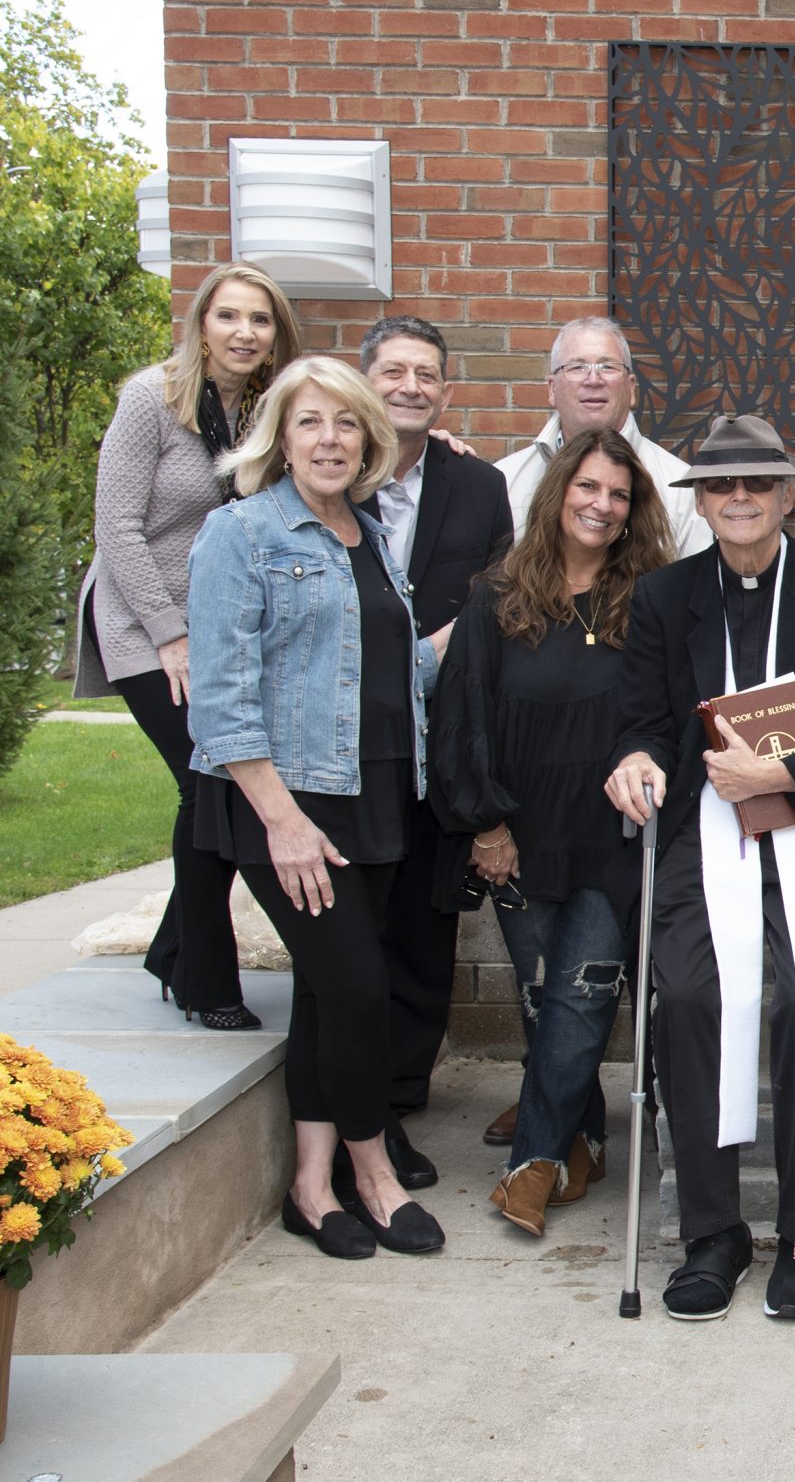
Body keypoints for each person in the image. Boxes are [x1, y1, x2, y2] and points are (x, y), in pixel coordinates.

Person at [605, 414, 795, 1323]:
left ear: (788, 496)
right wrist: (634, 761)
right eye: (719, 486)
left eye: (756, 484)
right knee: (694, 998)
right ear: (701, 502)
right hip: (707, 828)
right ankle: (714, 1235)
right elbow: (637, 721)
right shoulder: (664, 600)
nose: (737, 499)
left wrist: (777, 774)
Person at [186, 357, 450, 1260]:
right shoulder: (242, 533)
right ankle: (370, 1174)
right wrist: (282, 818)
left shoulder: (367, 533)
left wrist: (477, 630)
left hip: (375, 793)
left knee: (324, 996)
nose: (330, 440)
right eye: (310, 423)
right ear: (280, 436)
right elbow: (222, 697)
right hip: (287, 804)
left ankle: (307, 1184)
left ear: (370, 438)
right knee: (358, 990)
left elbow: (384, 668)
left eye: (346, 424)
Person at [432, 430, 675, 1238]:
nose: (602, 506)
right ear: (558, 491)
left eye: (618, 495)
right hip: (518, 834)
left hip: (611, 835)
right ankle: (585, 1138)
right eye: (589, 488)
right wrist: (488, 826)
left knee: (581, 992)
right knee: (542, 997)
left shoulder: (651, 600)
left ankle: (529, 1166)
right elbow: (461, 717)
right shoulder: (497, 596)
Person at [75, 262, 304, 1030]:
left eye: (261, 320)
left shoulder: (262, 412)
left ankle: (174, 950)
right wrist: (170, 635)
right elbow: (116, 529)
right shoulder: (151, 399)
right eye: (230, 316)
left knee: (217, 787)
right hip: (143, 624)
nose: (245, 332)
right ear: (201, 324)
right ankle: (205, 977)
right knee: (209, 785)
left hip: (220, 628)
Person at [348, 316, 514, 1194]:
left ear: (445, 392)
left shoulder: (479, 483)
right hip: (355, 741)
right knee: (356, 921)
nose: (410, 386)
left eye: (427, 375)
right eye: (394, 371)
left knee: (424, 916)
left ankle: (402, 1093)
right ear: (365, 380)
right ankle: (358, 1096)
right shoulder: (331, 471)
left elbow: (495, 585)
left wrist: (454, 641)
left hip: (441, 735)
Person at [495, 315, 710, 559]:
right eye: (577, 367)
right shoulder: (504, 481)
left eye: (607, 367)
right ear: (552, 389)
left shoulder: (680, 488)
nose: (593, 380)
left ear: (631, 389)